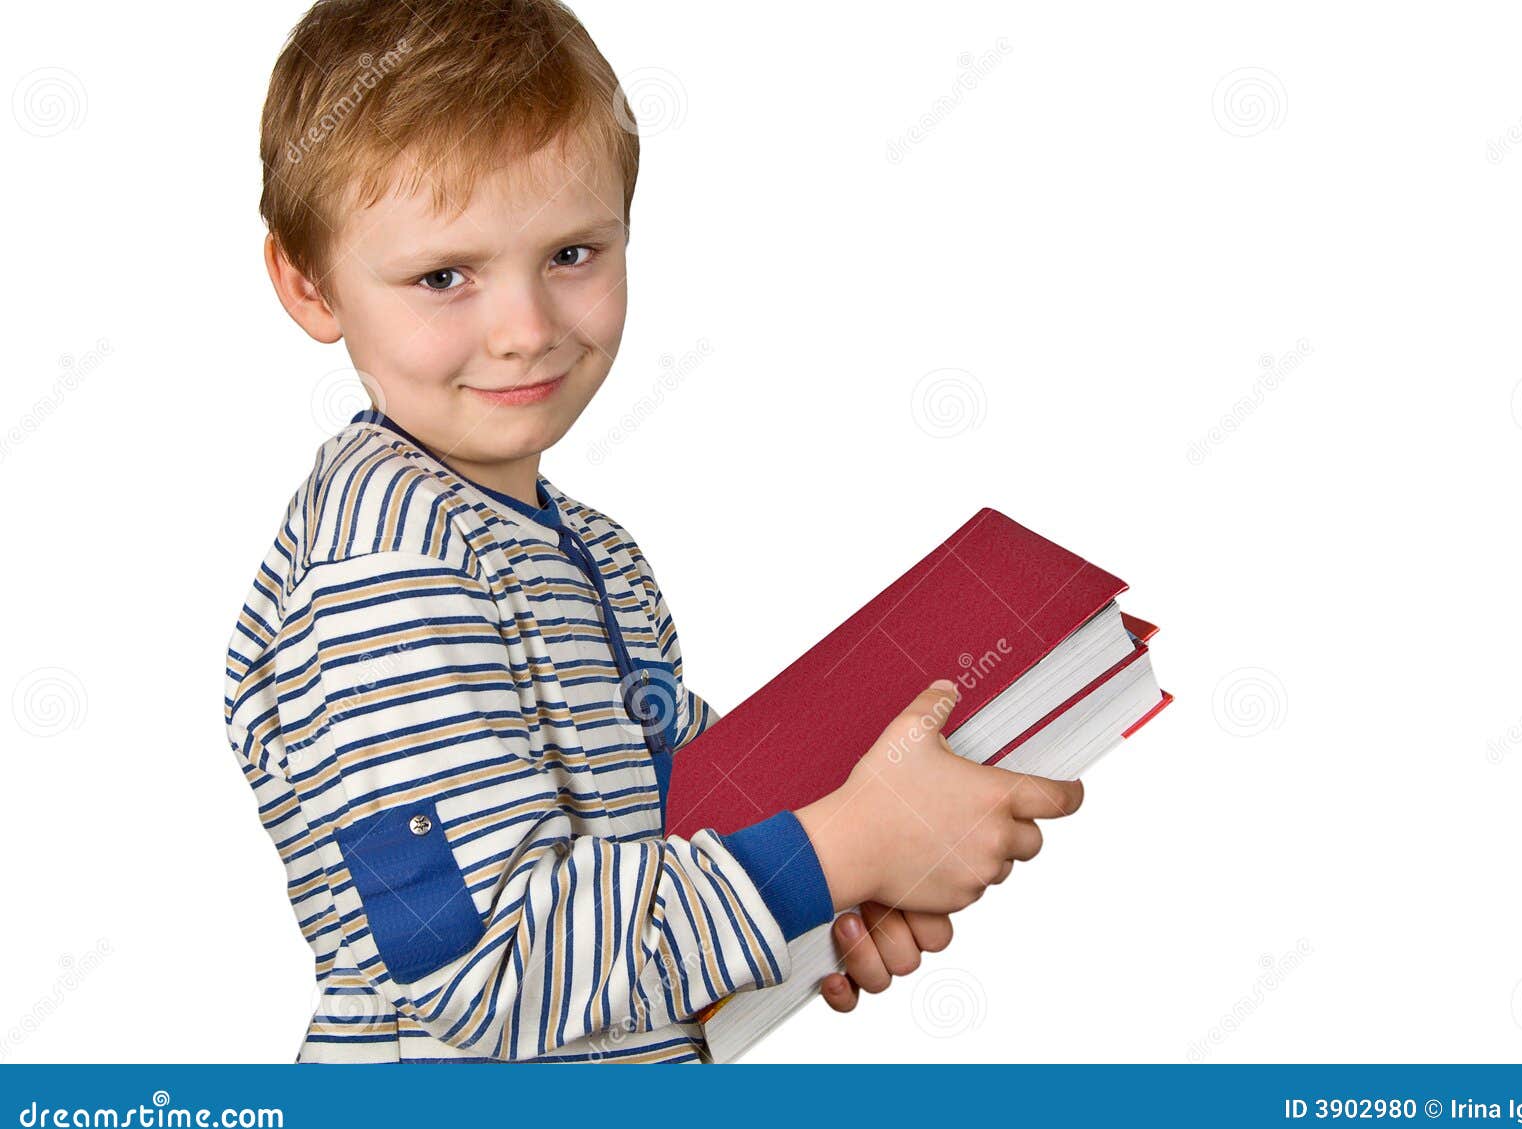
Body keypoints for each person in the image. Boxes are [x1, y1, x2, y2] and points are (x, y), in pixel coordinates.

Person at [221, 0, 1085, 1062]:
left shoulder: (596, 554)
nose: (525, 327)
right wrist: (843, 843)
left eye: (573, 252)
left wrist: (842, 885)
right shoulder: (383, 566)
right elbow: (493, 972)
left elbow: (680, 834)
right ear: (309, 285)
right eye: (444, 275)